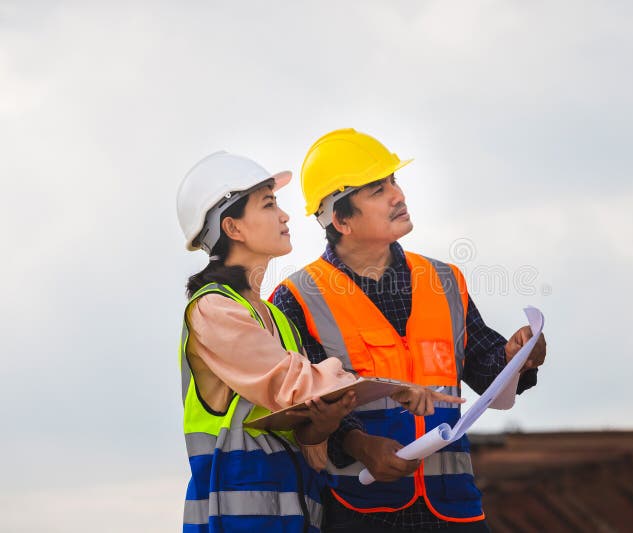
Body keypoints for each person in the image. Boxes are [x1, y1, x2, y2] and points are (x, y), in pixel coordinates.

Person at [270, 129, 548, 532]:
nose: (397, 195)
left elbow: (485, 370)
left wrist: (518, 355)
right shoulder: (297, 297)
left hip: (453, 507)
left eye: (394, 181)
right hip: (360, 510)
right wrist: (360, 445)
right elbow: (302, 410)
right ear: (341, 219)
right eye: (377, 189)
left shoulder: (445, 280)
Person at [175, 151, 459, 533]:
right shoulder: (213, 309)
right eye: (269, 204)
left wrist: (323, 422)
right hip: (237, 519)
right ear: (233, 228)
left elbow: (307, 438)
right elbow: (293, 384)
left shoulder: (276, 318)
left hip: (293, 517)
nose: (285, 216)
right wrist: (391, 388)